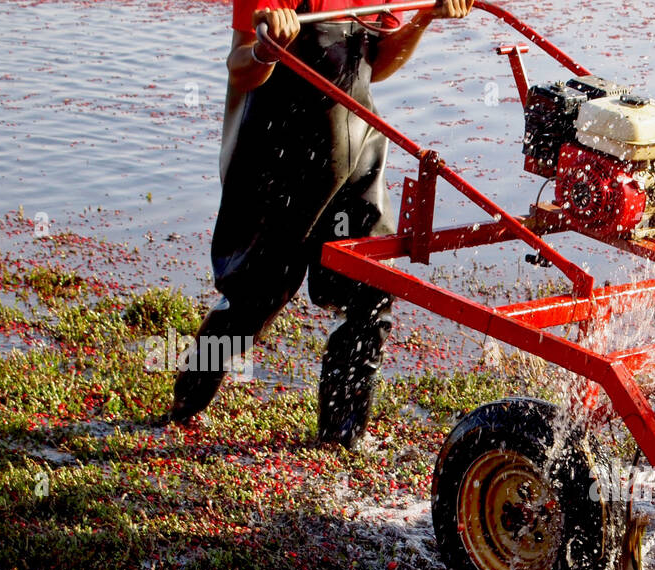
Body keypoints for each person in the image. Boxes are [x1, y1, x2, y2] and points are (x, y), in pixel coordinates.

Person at [167, 1, 474, 447]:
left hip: (355, 147)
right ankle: (185, 404)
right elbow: (240, 66)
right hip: (281, 152)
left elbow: (378, 64)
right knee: (254, 301)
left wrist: (425, 19)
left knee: (372, 285)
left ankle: (342, 437)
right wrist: (266, 52)